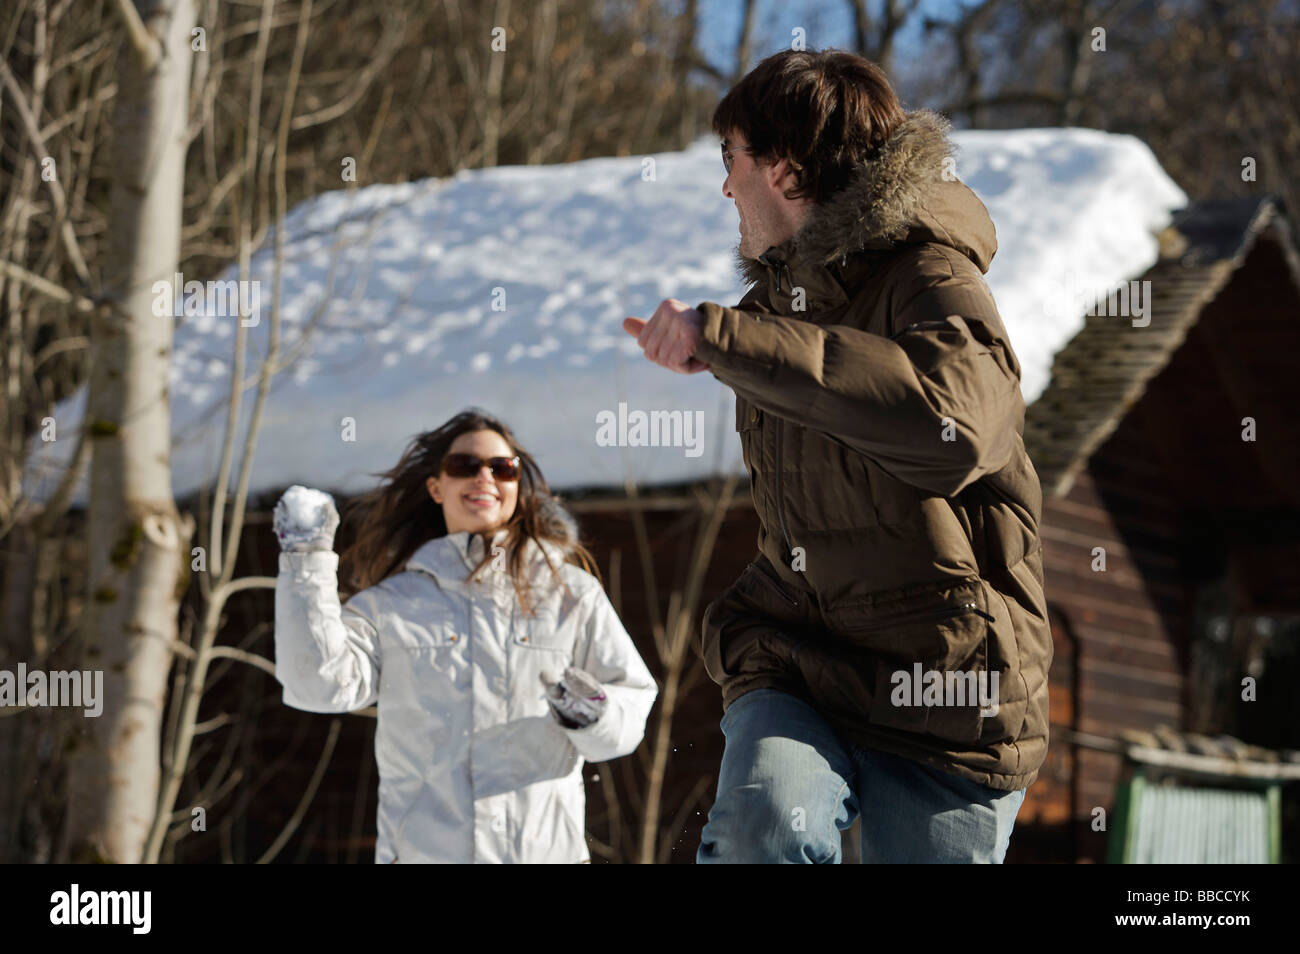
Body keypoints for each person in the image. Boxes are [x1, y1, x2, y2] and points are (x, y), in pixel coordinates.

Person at [623, 49, 1052, 863]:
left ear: (783, 172)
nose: (723, 186)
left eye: (731, 160)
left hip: (945, 688)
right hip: (799, 658)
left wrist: (730, 341)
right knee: (763, 831)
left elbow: (948, 430)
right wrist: (739, 343)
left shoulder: (935, 281)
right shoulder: (768, 312)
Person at [272, 409, 657, 863]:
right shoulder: (392, 604)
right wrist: (306, 560)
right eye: (464, 466)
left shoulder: (571, 594)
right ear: (436, 487)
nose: (485, 477)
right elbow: (317, 685)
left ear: (517, 484)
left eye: (502, 467)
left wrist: (595, 715)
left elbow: (628, 713)